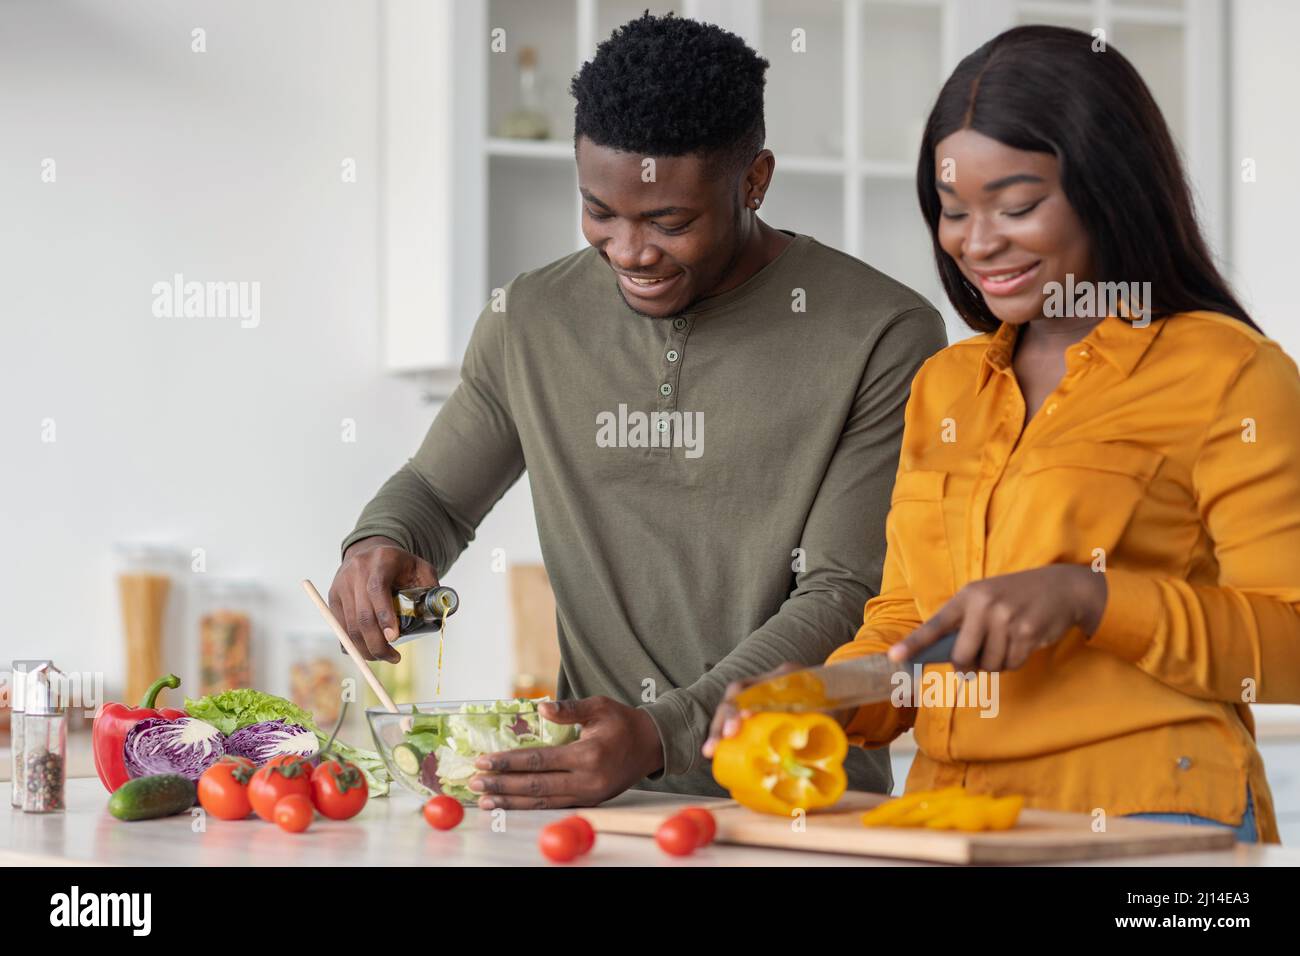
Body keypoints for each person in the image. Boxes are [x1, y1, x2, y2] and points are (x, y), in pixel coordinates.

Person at [330, 13, 946, 808]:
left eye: (669, 222)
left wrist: (660, 733)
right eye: (599, 211)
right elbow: (436, 497)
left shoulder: (882, 331)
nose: (629, 252)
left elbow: (842, 593)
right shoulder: (531, 318)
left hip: (797, 797)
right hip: (596, 802)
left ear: (754, 181)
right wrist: (381, 541)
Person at [707, 25, 1300, 843]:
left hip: (1153, 820)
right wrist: (825, 696)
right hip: (953, 822)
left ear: (1110, 188)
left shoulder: (1229, 373)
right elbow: (911, 625)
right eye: (954, 212)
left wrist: (1091, 598)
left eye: (1017, 207)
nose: (978, 242)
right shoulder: (945, 386)